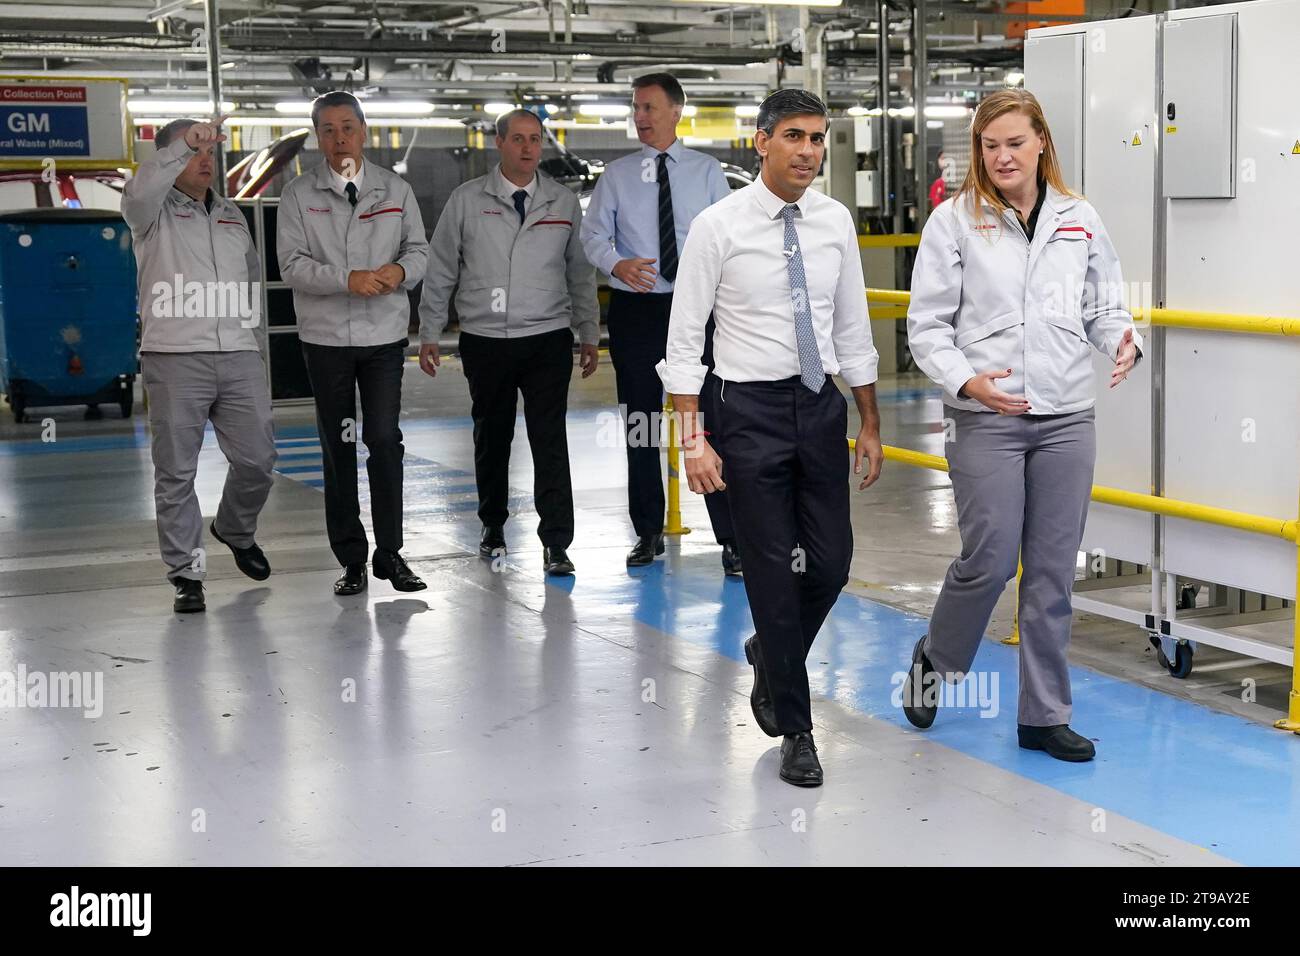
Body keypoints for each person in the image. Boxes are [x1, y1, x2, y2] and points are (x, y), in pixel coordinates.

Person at [902, 88, 1142, 762]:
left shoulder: (1079, 217)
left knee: (1052, 572)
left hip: (1067, 417)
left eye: (1015, 142)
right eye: (989, 145)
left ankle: (1043, 715)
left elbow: (1103, 305)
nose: (1002, 155)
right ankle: (937, 658)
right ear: (979, 153)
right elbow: (926, 326)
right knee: (990, 557)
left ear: (1041, 143)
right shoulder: (955, 223)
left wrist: (1123, 337)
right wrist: (964, 380)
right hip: (986, 417)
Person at [658, 89, 884, 788]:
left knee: (831, 564)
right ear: (761, 142)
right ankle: (797, 728)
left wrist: (870, 420)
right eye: (794, 136)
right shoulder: (717, 226)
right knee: (772, 575)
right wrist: (692, 439)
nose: (809, 151)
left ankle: (770, 652)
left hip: (818, 408)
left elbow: (851, 327)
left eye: (818, 138)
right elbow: (685, 341)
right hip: (744, 411)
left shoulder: (834, 221)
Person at [418, 109, 599, 575]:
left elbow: (580, 272)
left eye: (535, 139)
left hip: (546, 339)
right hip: (485, 339)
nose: (527, 148)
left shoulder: (561, 203)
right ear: (498, 143)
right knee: (491, 436)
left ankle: (557, 541)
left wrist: (588, 332)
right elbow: (441, 270)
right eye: (517, 139)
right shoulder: (465, 200)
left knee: (549, 439)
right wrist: (430, 331)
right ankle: (492, 525)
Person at [581, 72, 740, 573]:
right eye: (635, 108)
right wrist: (615, 263)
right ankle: (647, 531)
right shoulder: (618, 175)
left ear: (676, 111)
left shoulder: (706, 170)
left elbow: (728, 236)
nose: (640, 117)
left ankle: (731, 537)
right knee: (642, 422)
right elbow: (591, 235)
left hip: (699, 311)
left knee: (711, 422)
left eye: (649, 108)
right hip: (639, 309)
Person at [121, 115, 276, 614]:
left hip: (236, 355)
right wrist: (182, 143)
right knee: (176, 474)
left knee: (258, 461)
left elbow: (250, 282)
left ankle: (233, 528)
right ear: (170, 160)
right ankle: (187, 573)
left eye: (209, 153)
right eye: (192, 153)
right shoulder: (150, 213)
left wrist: (254, 346)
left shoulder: (231, 216)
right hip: (174, 358)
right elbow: (140, 190)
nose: (205, 160)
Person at [277, 90, 430, 596]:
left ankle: (391, 552)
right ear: (317, 137)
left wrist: (400, 269)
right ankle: (351, 559)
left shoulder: (395, 189)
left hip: (384, 338)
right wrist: (348, 279)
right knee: (338, 445)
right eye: (328, 129)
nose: (339, 137)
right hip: (325, 341)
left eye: (348, 127)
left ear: (364, 131)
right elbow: (292, 265)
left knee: (384, 439)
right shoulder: (300, 195)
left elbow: (420, 251)